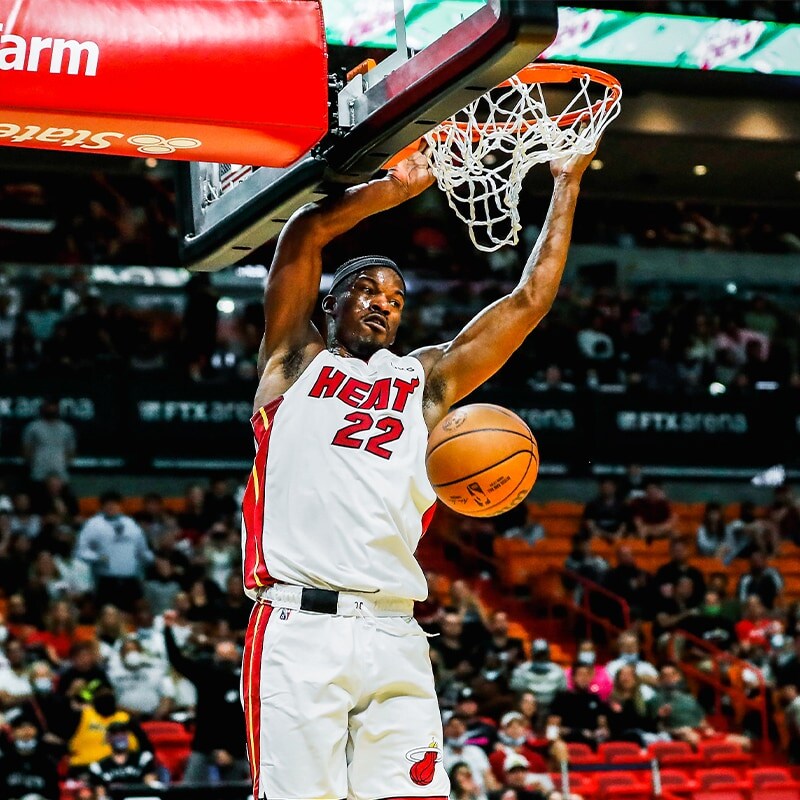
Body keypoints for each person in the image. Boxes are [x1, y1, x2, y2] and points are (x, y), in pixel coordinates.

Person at [239, 142, 598, 800]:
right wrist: (393, 190)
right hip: (299, 626)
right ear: (330, 304)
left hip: (396, 628)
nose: (383, 303)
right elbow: (303, 232)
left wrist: (566, 181)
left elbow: (527, 303)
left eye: (397, 298)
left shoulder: (424, 382)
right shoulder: (293, 361)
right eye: (366, 290)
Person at [162, 609, 249, 783]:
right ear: (215, 657)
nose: (224, 662)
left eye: (228, 658)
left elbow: (243, 719)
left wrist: (231, 751)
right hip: (204, 745)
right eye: (221, 658)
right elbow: (177, 660)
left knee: (241, 792)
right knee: (189, 791)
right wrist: (167, 631)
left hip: (237, 749)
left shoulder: (244, 678)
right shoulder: (206, 674)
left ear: (237, 657)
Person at [76, 491, 153, 612]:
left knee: (135, 612)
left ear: (120, 506)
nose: (112, 507)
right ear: (102, 506)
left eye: (115, 504)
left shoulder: (131, 524)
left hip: (130, 579)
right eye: (108, 504)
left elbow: (142, 550)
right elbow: (81, 551)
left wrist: (151, 559)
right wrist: (98, 558)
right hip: (106, 580)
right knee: (107, 613)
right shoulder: (93, 524)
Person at [87, 720, 159, 796]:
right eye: (115, 734)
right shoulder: (98, 767)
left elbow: (150, 784)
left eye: (123, 733)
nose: (120, 737)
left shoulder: (143, 759)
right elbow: (101, 795)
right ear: (108, 738)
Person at [0, 715, 60, 800]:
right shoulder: (5, 761)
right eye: (21, 727)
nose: (26, 731)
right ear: (13, 733)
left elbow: (53, 792)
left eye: (30, 726)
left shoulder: (47, 761)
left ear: (36, 730)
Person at [21, 398, 77, 485]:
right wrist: (33, 463)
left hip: (60, 471)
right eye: (49, 406)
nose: (51, 409)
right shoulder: (33, 427)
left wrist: (64, 463)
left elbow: (71, 451)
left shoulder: (67, 429)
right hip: (38, 472)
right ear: (43, 408)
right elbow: (27, 449)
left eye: (54, 406)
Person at [510, 639, 568, 711]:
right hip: (528, 709)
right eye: (538, 655)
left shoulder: (558, 671)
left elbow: (562, 692)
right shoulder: (521, 670)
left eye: (543, 655)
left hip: (551, 709)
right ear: (532, 654)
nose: (541, 658)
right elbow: (517, 692)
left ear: (548, 654)